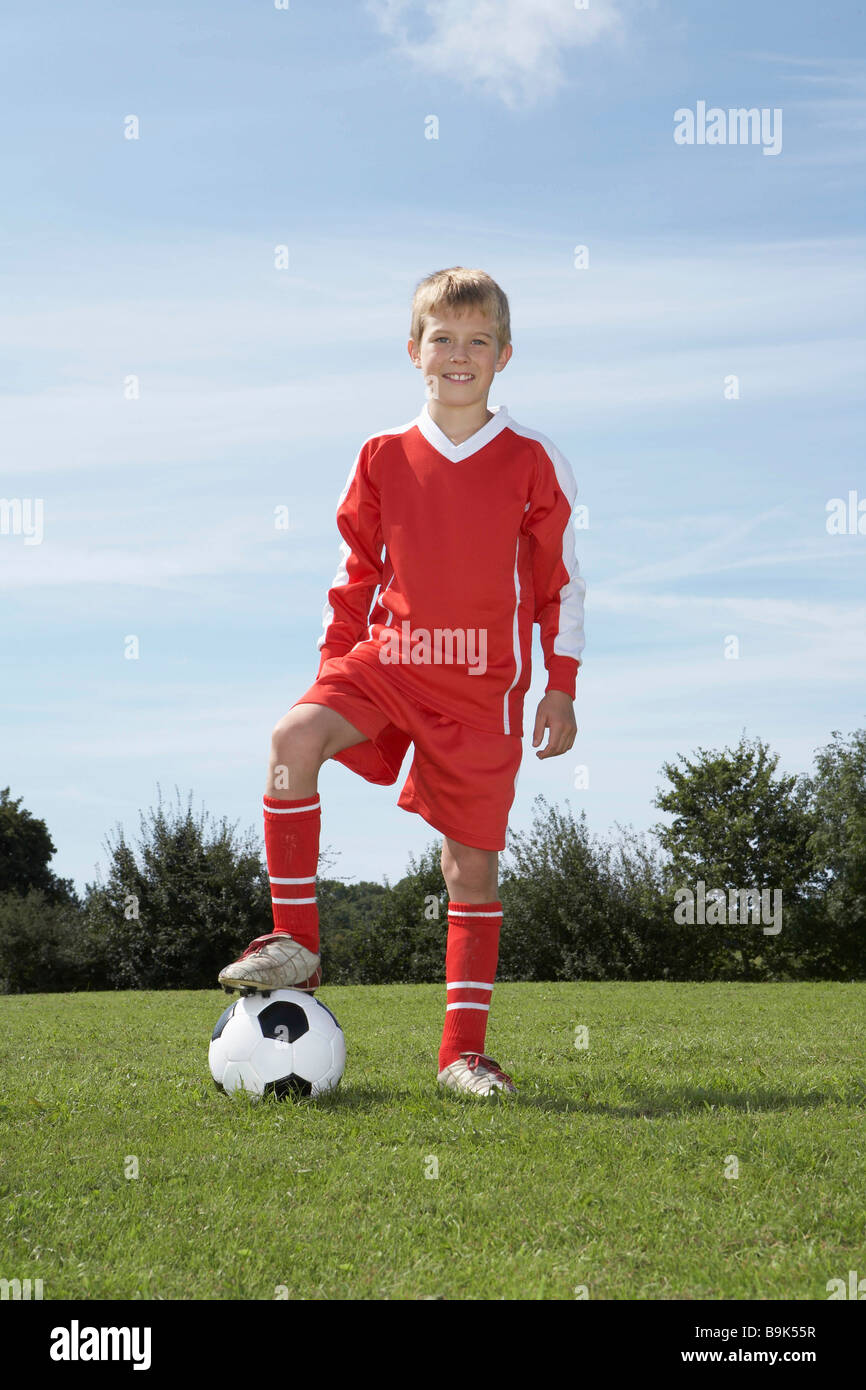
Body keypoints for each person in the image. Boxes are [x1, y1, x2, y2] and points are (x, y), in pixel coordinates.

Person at [218, 266, 586, 1097]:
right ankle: (295, 946)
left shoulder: (532, 460)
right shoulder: (382, 456)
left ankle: (462, 1055)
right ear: (413, 351)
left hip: (482, 690)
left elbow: (562, 584)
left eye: (478, 341)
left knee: (472, 870)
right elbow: (353, 578)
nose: (460, 355)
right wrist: (330, 681)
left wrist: (559, 683)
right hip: (391, 660)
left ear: (504, 355)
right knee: (292, 738)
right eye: (443, 339)